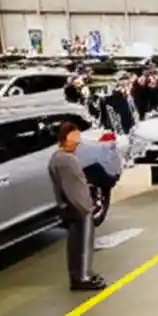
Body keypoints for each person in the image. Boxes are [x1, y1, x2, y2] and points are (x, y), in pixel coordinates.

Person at [48, 123, 104, 291]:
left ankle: (80, 274)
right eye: (74, 139)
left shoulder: (57, 158)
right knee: (83, 244)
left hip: (70, 207)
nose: (77, 143)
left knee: (75, 244)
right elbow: (73, 188)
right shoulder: (66, 160)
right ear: (65, 139)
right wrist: (86, 208)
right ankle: (83, 276)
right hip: (79, 208)